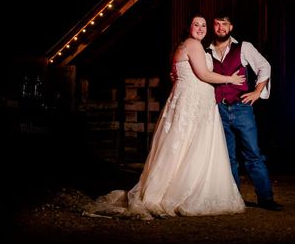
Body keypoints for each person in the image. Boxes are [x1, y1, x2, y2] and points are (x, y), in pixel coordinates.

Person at [84, 15, 247, 219]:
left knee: (183, 145)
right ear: (188, 27)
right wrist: (229, 79)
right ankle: (183, 191)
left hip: (192, 101)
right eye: (196, 24)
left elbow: (178, 74)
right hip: (193, 103)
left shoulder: (185, 46)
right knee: (190, 145)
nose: (200, 28)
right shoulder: (192, 44)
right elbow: (204, 75)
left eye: (204, 25)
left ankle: (174, 187)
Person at [208, 11, 283, 211]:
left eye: (224, 24)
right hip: (218, 110)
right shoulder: (206, 52)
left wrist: (257, 92)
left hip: (242, 108)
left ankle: (266, 199)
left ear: (231, 27)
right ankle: (234, 199)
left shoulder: (243, 47)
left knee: (253, 154)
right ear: (212, 27)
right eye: (216, 24)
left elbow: (264, 67)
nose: (220, 28)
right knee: (227, 157)